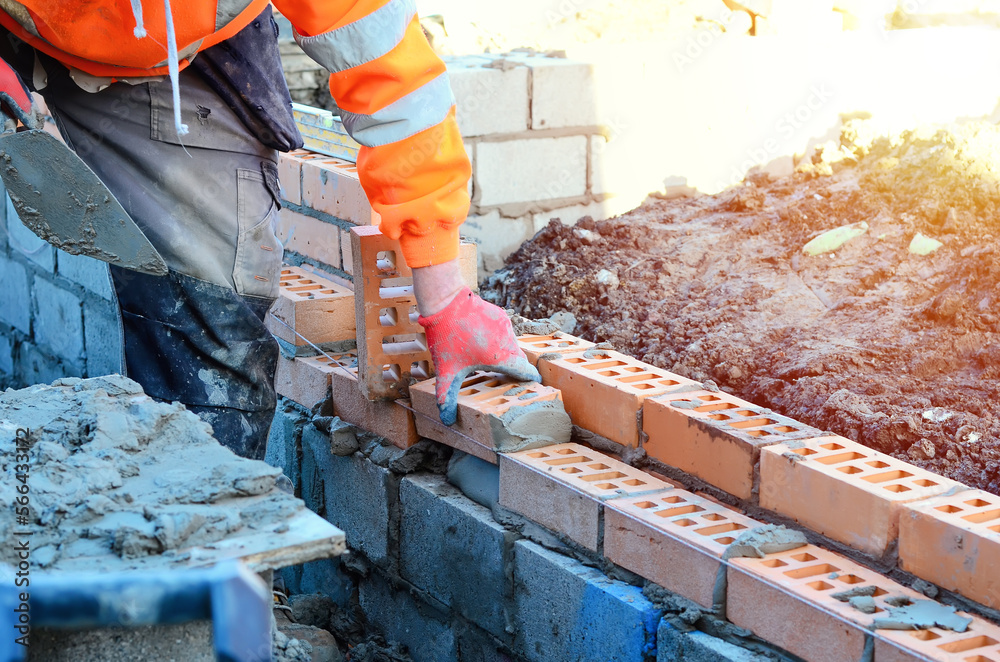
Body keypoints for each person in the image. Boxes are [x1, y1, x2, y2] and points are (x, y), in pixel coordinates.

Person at [0, 0, 538, 460]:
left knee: (213, 319)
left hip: (181, 47)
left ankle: (203, 545)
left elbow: (389, 72)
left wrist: (444, 297)